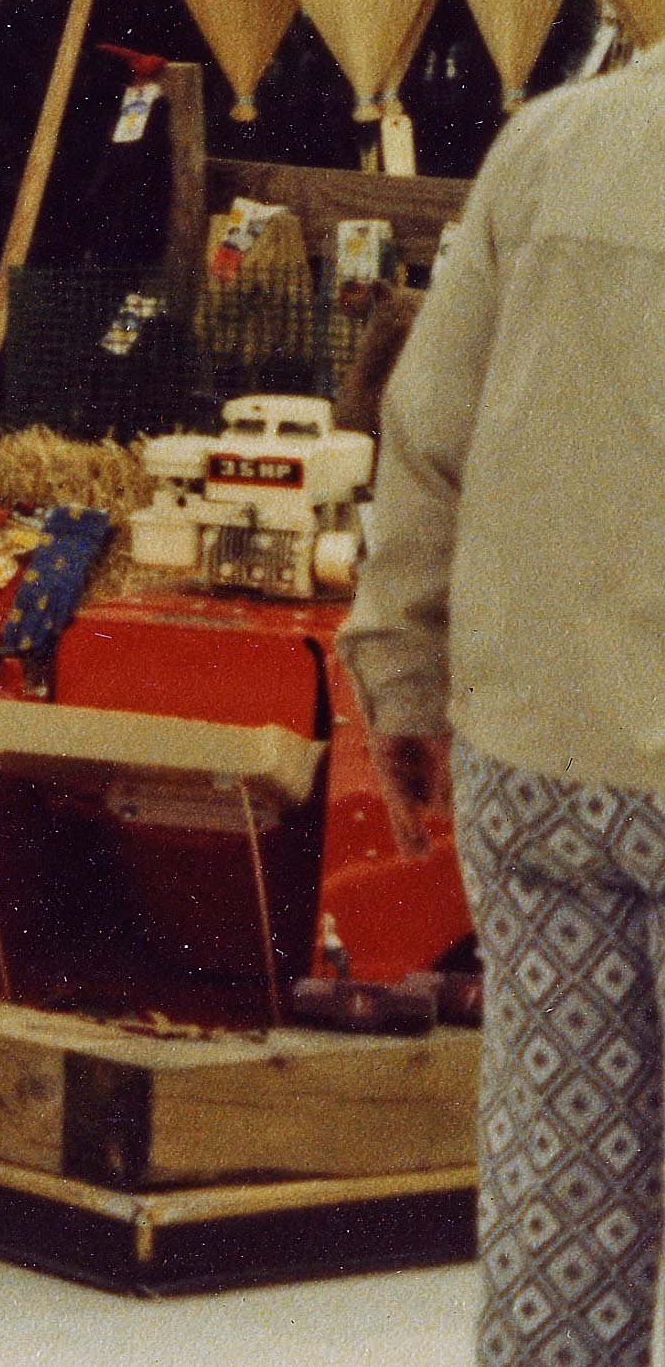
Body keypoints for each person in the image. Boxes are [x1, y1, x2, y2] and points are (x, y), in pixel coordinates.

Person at [346, 71, 665, 1367]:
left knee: (558, 1189)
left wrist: (403, 683)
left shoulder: (548, 145)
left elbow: (424, 438)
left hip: (533, 761)